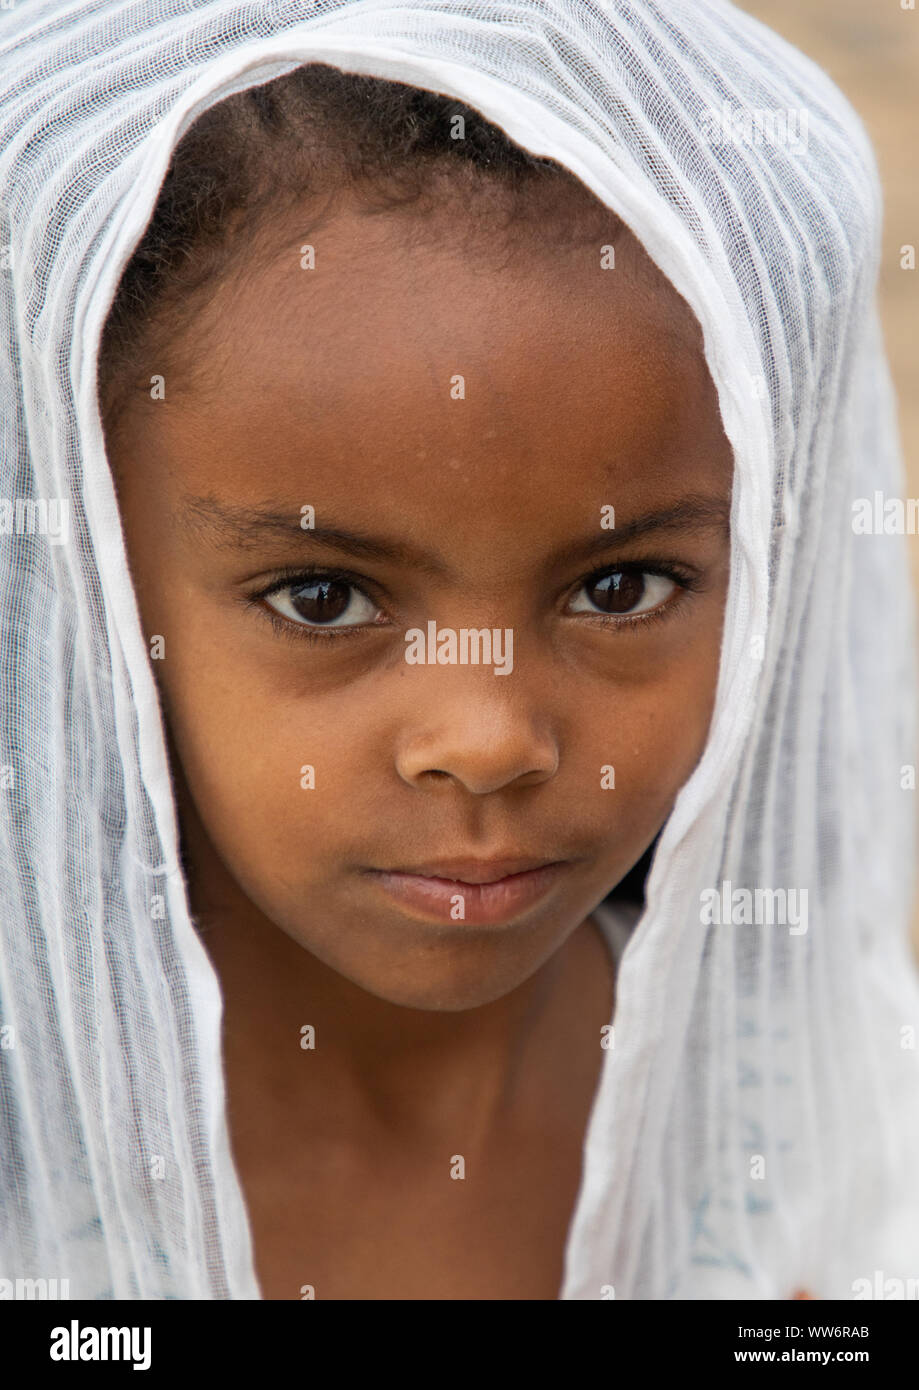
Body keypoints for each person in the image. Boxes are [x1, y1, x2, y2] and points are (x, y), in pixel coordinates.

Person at [1, 0, 918, 1301]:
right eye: (323, 597)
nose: (488, 739)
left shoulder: (827, 1149)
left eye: (621, 582)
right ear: (90, 580)